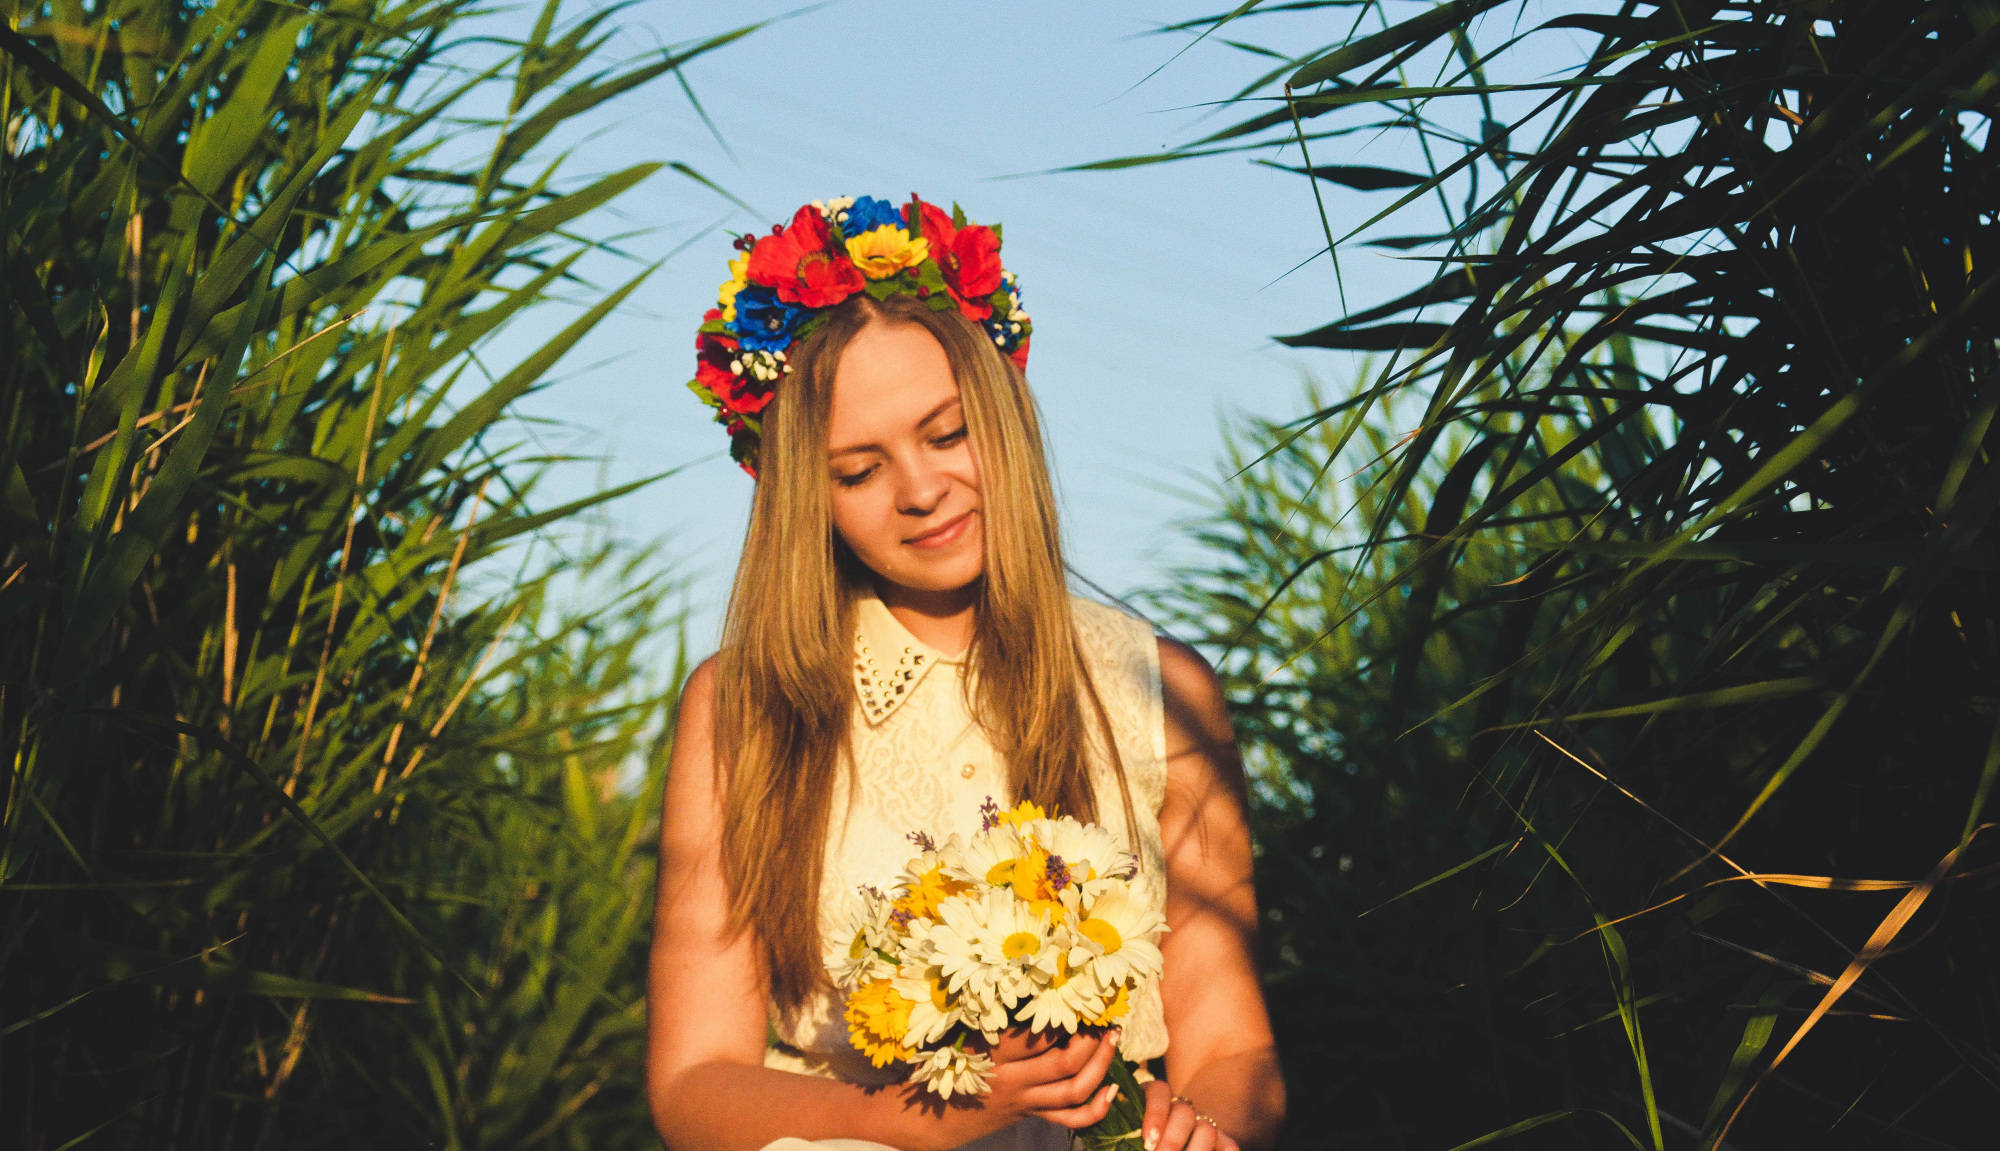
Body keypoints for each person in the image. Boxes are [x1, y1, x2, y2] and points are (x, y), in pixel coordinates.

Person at [645, 195, 1284, 1151]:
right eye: (857, 470)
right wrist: (916, 1119)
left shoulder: (1162, 689)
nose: (920, 488)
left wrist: (1202, 1130)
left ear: (1004, 414)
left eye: (946, 434)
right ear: (801, 499)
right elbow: (695, 1081)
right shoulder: (745, 705)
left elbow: (1233, 1040)